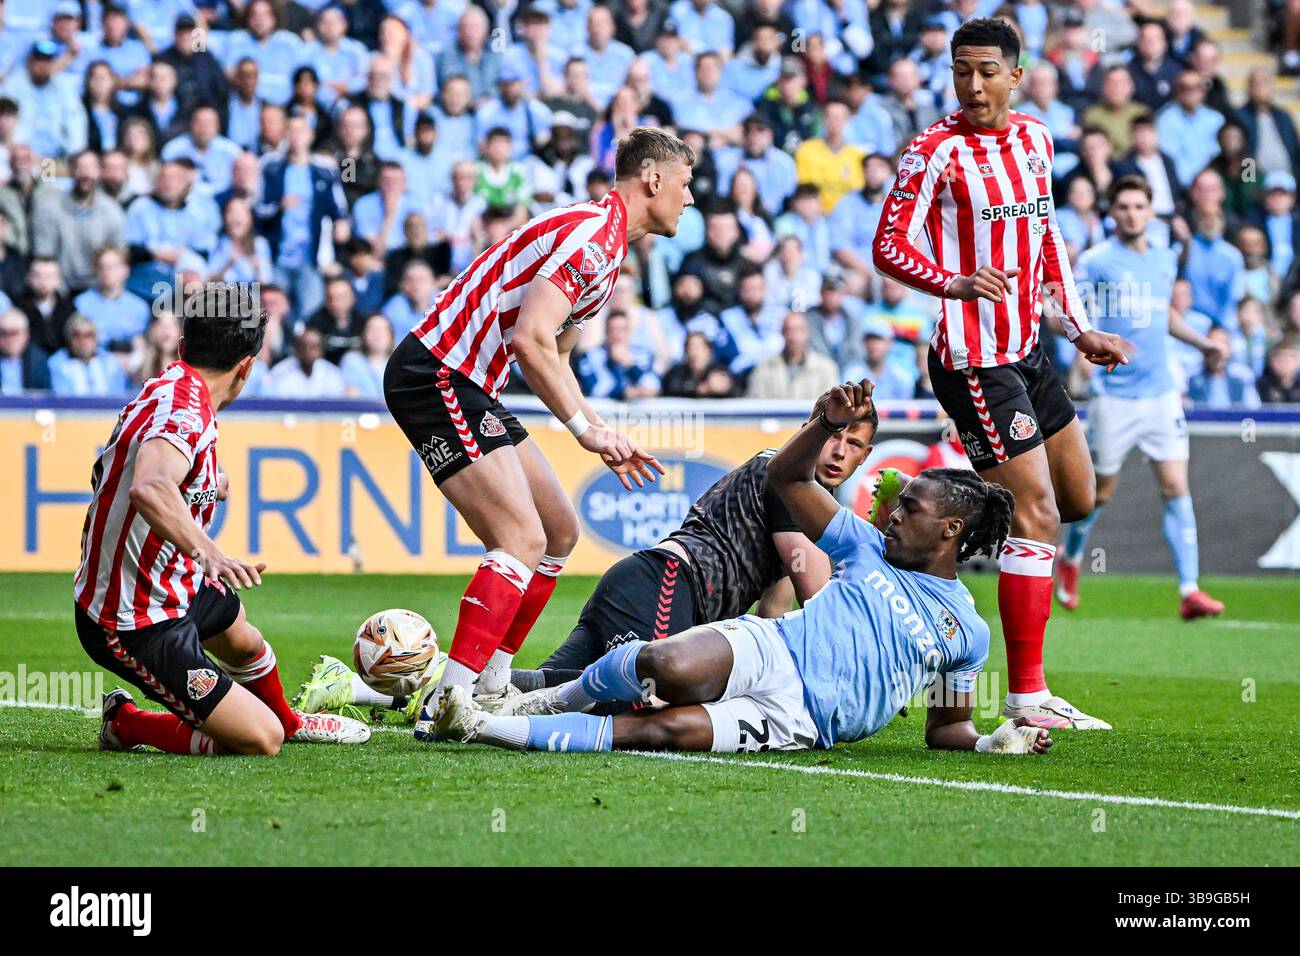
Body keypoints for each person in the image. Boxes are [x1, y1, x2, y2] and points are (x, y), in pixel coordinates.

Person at [432, 382, 1051, 759]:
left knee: (662, 731)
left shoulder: (967, 633)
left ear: (949, 531)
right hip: (771, 649)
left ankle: (483, 722)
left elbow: (948, 728)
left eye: (909, 510)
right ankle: (531, 707)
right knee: (662, 667)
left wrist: (997, 739)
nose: (891, 515)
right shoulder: (861, 543)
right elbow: (785, 477)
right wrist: (825, 424)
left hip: (801, 721)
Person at [298, 389, 875, 723]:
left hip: (646, 585)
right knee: (625, 709)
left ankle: (367, 688)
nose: (839, 450)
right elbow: (814, 593)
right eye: (834, 435)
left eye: (855, 445)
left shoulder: (789, 492)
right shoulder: (785, 478)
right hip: (668, 587)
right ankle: (470, 716)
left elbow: (777, 612)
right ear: (810, 428)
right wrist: (864, 655)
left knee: (546, 684)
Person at [385, 127, 692, 727]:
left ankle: (494, 684)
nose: (689, 198)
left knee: (557, 530)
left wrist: (599, 429)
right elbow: (530, 339)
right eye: (685, 184)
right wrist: (586, 431)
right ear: (653, 179)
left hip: (471, 382)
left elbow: (557, 353)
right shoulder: (592, 240)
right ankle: (450, 701)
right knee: (519, 538)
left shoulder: (606, 246)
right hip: (440, 373)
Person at [872, 18, 1128, 731]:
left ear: (1017, 75)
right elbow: (888, 245)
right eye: (961, 72)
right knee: (1039, 512)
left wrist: (1079, 328)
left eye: (987, 71)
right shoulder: (934, 151)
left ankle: (939, 544)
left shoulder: (1038, 140)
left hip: (1028, 349)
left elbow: (1047, 241)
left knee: (1072, 501)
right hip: (971, 357)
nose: (973, 84)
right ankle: (1025, 696)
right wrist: (952, 283)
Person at [76, 282, 368, 756]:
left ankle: (291, 722)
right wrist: (208, 551)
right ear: (246, 367)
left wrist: (215, 484)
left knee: (245, 639)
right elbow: (150, 485)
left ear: (183, 346)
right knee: (260, 739)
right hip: (132, 619)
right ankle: (125, 723)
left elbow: (168, 468)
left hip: (176, 583)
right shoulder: (183, 411)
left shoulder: (176, 387)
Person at [1059, 176, 1227, 621]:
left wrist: (1200, 342)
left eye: (1139, 206)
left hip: (1161, 394)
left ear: (1151, 212)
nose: (1132, 214)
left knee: (1175, 486)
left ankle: (1190, 590)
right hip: (1115, 396)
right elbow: (1062, 310)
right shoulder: (1095, 262)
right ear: (1111, 212)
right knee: (1099, 494)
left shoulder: (1165, 258)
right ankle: (1071, 559)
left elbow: (1163, 312)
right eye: (1124, 207)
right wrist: (1085, 345)